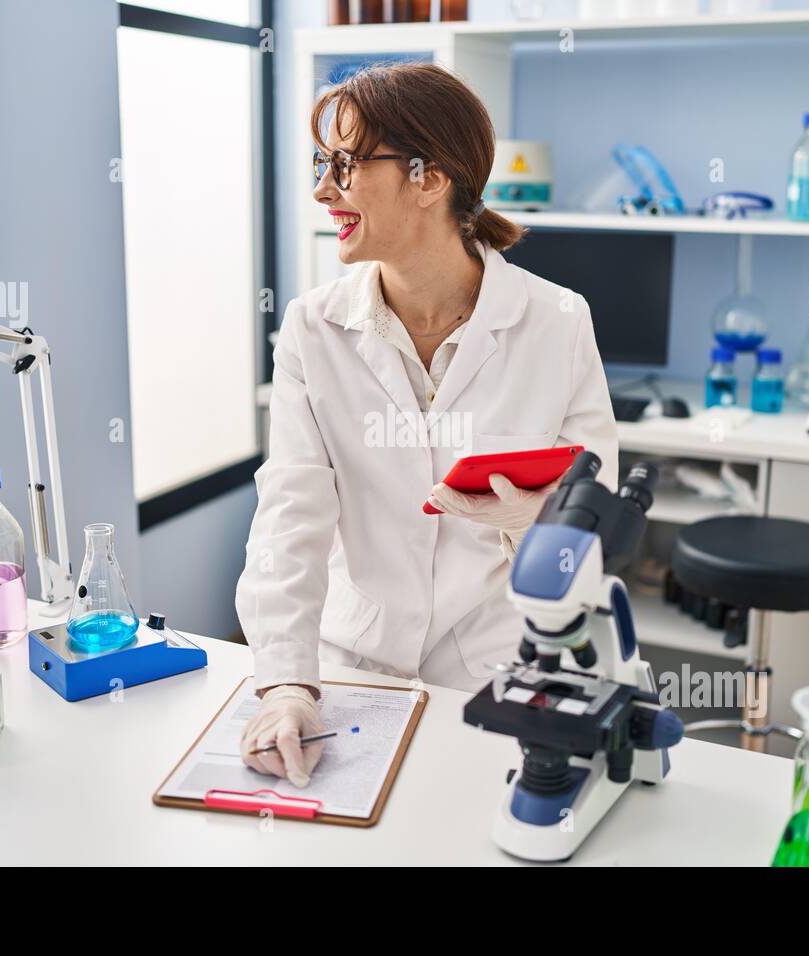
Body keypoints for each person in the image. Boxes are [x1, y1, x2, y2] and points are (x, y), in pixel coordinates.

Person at [236, 63, 617, 786]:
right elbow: (290, 516)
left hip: (499, 670)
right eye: (324, 165)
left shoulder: (557, 322)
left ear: (429, 177)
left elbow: (591, 523)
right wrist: (286, 684)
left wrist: (528, 520)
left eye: (345, 165)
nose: (323, 190)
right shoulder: (313, 329)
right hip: (350, 666)